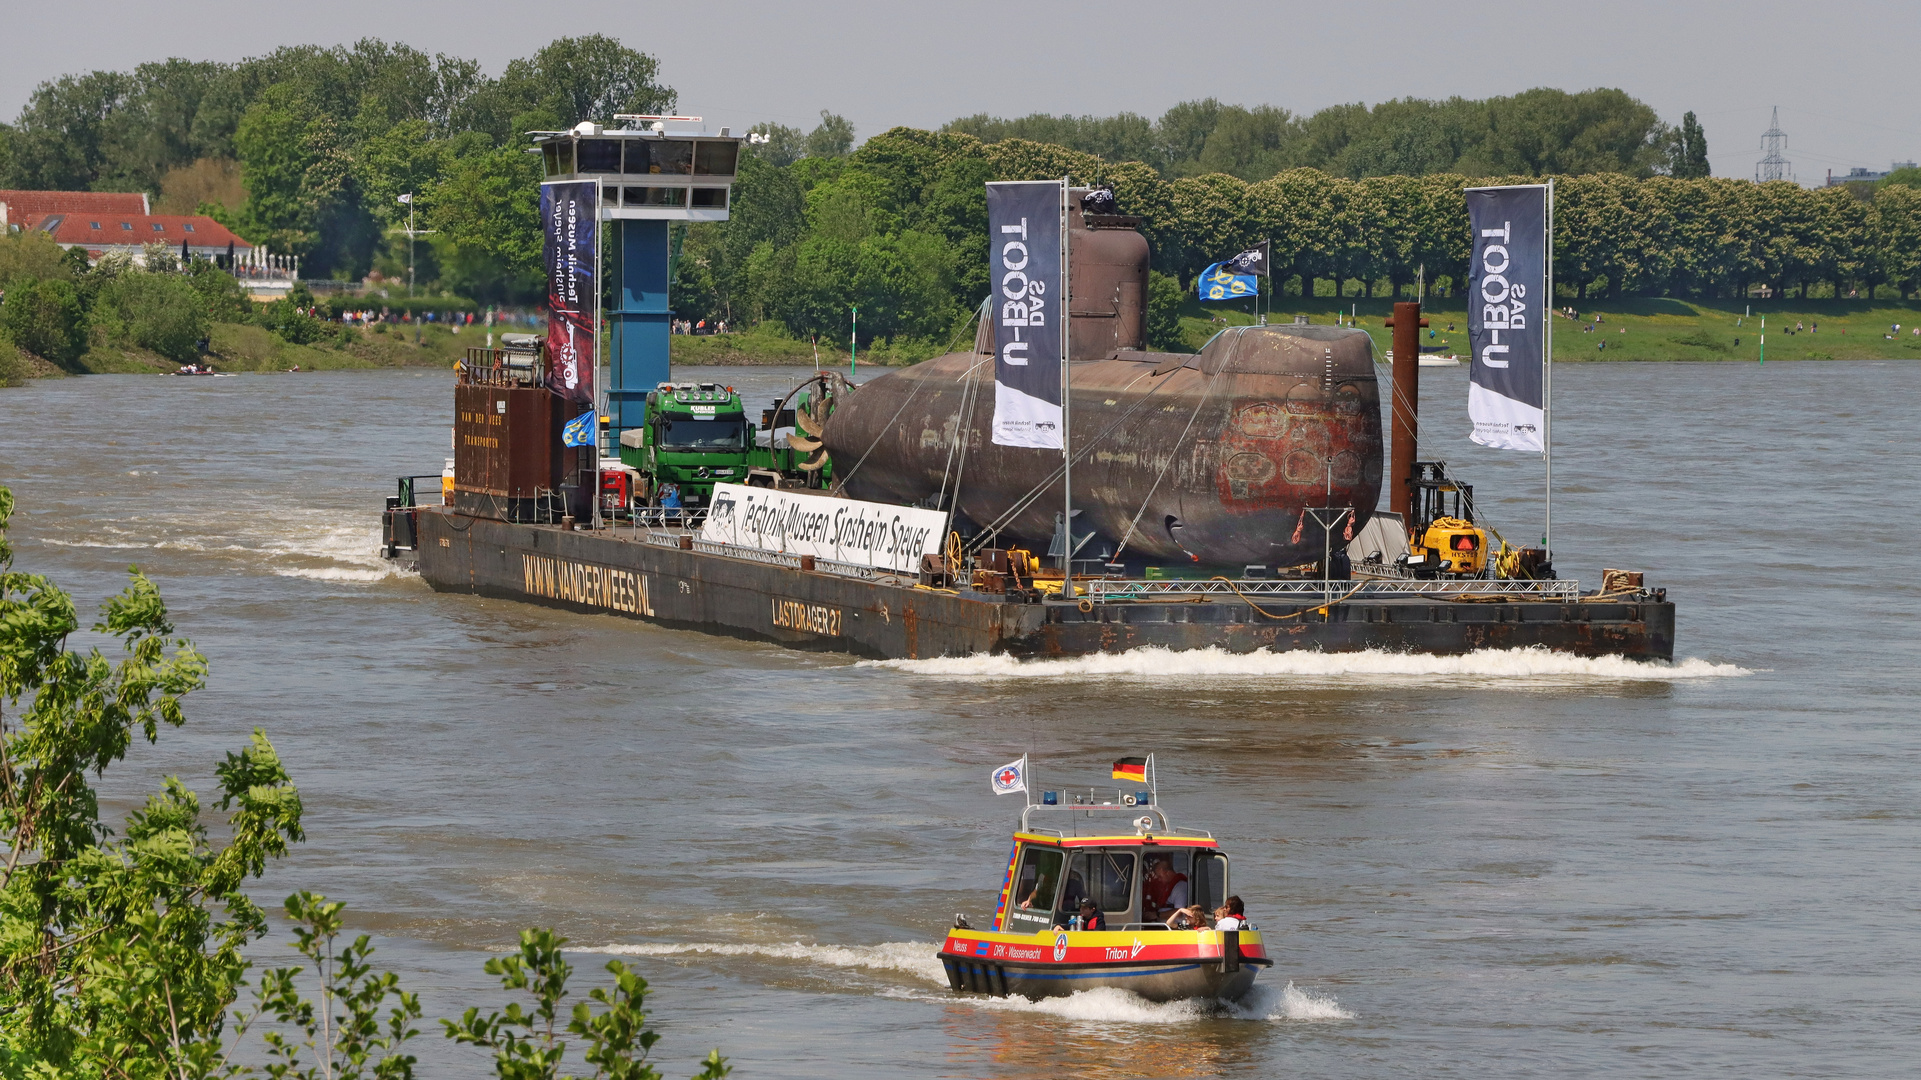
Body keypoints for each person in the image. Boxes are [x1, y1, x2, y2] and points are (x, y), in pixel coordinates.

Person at [1142, 855, 1189, 921]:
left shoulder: (1180, 887)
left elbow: (1180, 912)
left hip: (1173, 925)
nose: (1159, 879)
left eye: (1160, 877)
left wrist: (1156, 915)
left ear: (1168, 873)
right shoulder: (1167, 886)